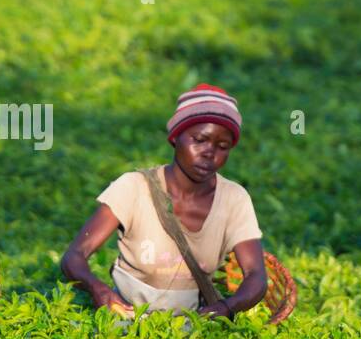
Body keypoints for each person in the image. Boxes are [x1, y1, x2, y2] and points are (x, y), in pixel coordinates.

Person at [61, 84, 268, 321]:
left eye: (222, 147)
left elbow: (256, 276)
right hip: (126, 317)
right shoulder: (134, 187)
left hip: (193, 322)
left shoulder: (234, 198)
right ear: (175, 138)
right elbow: (74, 256)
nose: (209, 153)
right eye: (199, 140)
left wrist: (225, 308)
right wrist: (98, 289)